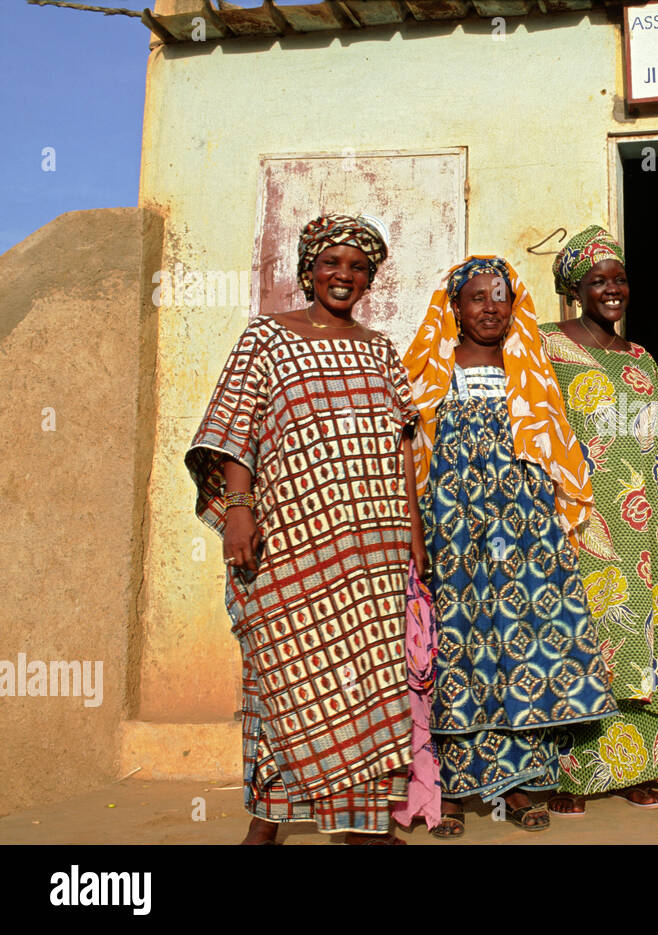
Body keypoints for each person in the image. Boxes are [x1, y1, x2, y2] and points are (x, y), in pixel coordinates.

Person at [186, 213, 419, 844]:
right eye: (332, 263)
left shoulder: (381, 350)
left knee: (366, 682)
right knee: (283, 675)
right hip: (288, 544)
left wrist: (414, 544)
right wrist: (239, 508)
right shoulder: (265, 339)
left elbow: (402, 451)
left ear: (370, 279)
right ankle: (267, 822)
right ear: (308, 268)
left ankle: (361, 825)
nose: (344, 276)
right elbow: (235, 428)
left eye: (357, 267)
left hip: (373, 549)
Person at [404, 255, 616, 837]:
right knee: (458, 647)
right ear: (455, 306)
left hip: (524, 532)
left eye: (500, 296)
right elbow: (405, 452)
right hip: (453, 532)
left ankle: (520, 785)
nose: (490, 308)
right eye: (476, 297)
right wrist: (416, 535)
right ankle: (447, 789)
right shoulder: (428, 366)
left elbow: (557, 448)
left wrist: (561, 522)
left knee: (523, 648)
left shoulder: (531, 364)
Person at [539, 226, 658, 816]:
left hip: (643, 522)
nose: (612, 289)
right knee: (580, 635)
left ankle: (634, 769)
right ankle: (571, 776)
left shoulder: (643, 360)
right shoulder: (545, 347)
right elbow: (529, 424)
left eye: (619, 278)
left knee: (639, 639)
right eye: (597, 280)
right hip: (575, 516)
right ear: (574, 290)